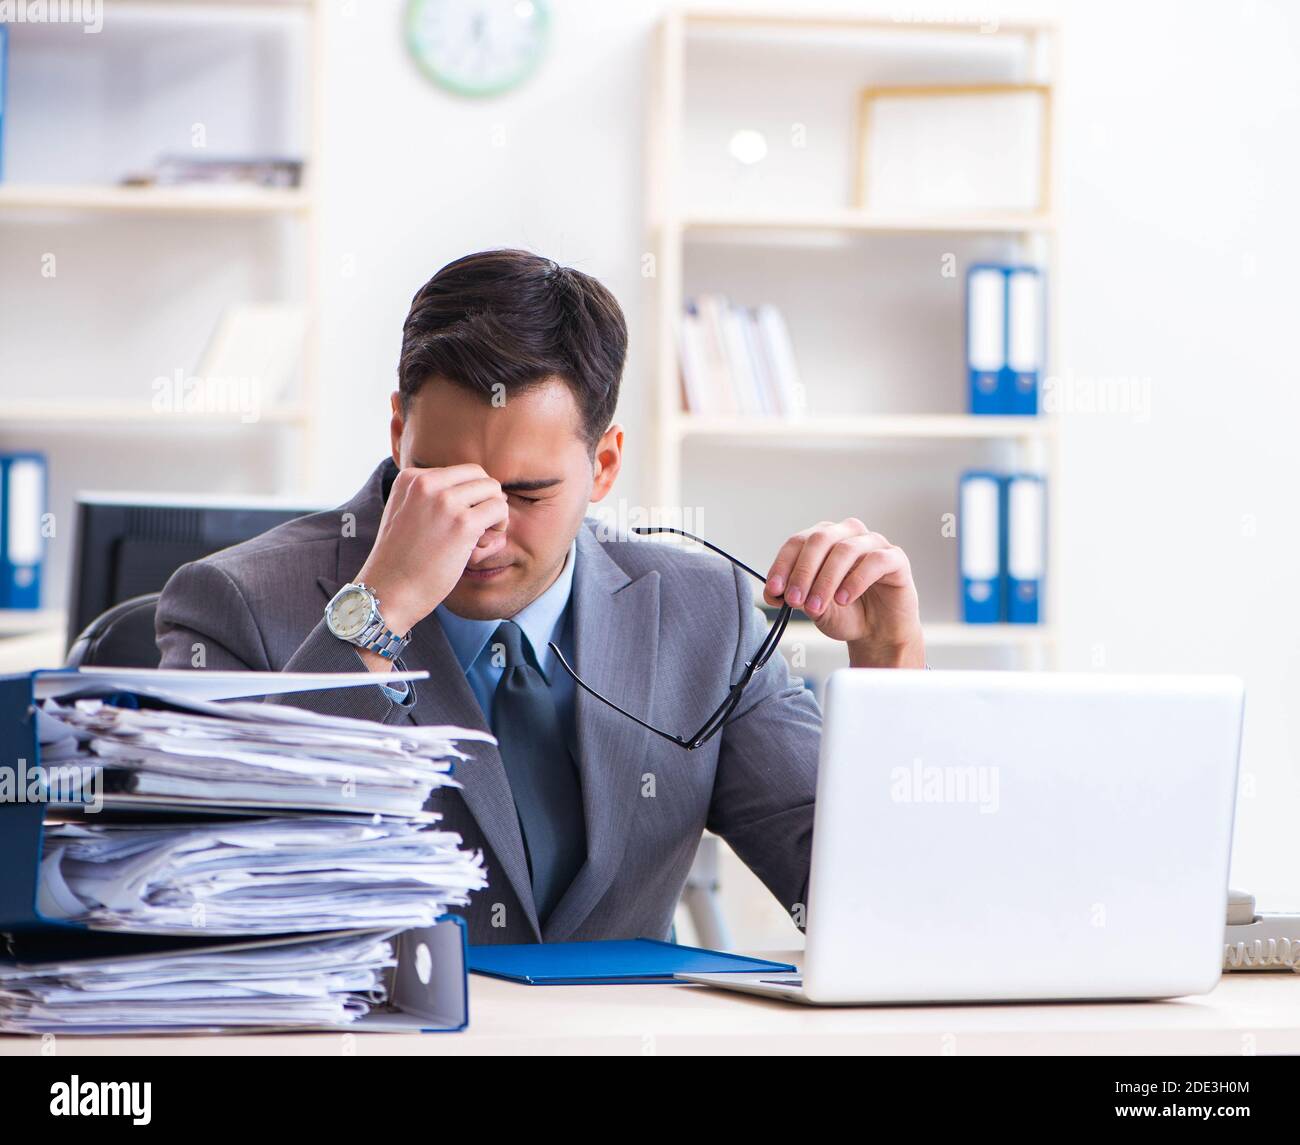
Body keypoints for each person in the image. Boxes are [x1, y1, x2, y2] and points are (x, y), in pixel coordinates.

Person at [156, 249, 926, 944]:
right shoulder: (235, 601)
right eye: (446, 486)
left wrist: (888, 659)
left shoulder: (707, 616)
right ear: (398, 433)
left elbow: (875, 906)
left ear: (606, 465)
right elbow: (191, 892)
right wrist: (375, 611)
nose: (483, 534)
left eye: (527, 492)